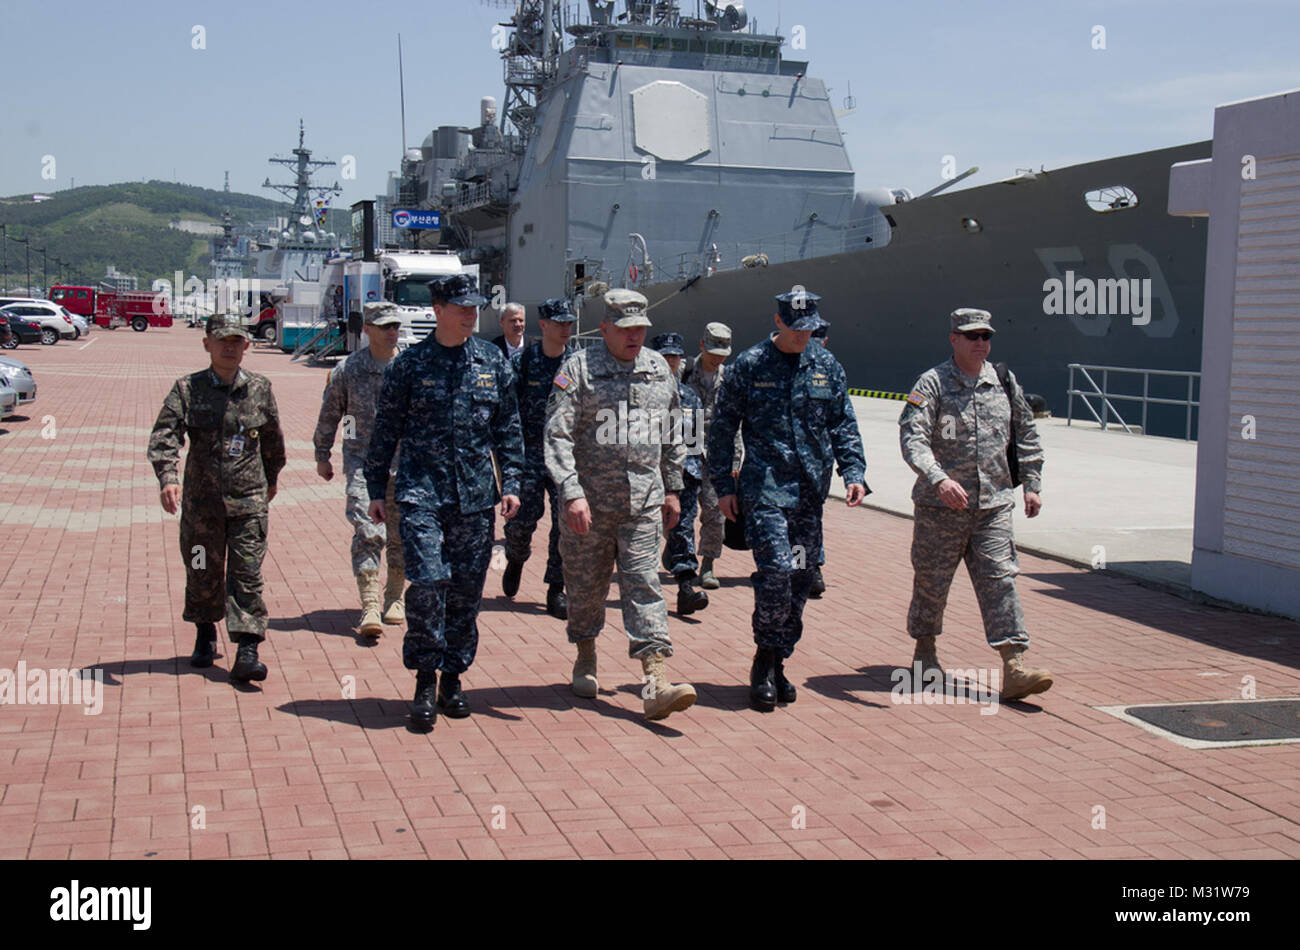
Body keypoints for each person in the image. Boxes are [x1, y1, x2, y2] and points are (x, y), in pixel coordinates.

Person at [364, 274, 524, 730]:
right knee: (429, 582)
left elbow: (509, 429)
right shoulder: (409, 366)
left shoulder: (492, 361)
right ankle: (423, 677)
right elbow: (384, 432)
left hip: (474, 498)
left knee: (467, 592)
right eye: (461, 307)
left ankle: (454, 676)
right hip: (421, 495)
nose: (471, 314)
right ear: (437, 309)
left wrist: (511, 482)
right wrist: (377, 488)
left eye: (475, 307)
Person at [709, 290, 867, 711]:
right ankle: (763, 657)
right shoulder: (749, 364)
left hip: (808, 496)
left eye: (810, 327)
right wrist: (723, 485)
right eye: (796, 328)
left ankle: (780, 659)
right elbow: (723, 428)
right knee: (777, 570)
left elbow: (842, 422)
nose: (803, 335)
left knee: (800, 579)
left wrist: (854, 473)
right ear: (778, 321)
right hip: (764, 492)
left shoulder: (826, 365)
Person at [545, 288, 696, 721]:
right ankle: (586, 654)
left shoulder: (657, 370)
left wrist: (671, 487)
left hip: (643, 505)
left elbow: (673, 432)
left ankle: (655, 682)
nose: (635, 337)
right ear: (606, 328)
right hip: (588, 508)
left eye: (641, 329)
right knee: (586, 589)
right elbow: (556, 435)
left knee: (644, 586)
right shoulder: (580, 369)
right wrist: (570, 492)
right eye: (626, 329)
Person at [898, 308, 1053, 701]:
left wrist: (1032, 484)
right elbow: (912, 438)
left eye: (986, 336)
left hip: (994, 507)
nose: (980, 342)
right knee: (932, 585)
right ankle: (925, 654)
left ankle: (1014, 666)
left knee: (1001, 581)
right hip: (940, 510)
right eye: (972, 336)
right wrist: (940, 479)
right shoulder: (931, 384)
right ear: (954, 339)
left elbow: (1026, 433)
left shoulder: (1002, 381)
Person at [147, 314, 286, 683]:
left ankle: (247, 648)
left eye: (237, 341)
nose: (229, 347)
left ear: (246, 346)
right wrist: (167, 478)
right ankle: (205, 631)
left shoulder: (259, 387)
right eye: (222, 340)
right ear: (207, 343)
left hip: (249, 501)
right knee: (201, 570)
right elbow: (165, 436)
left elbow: (273, 439)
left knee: (247, 574)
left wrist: (271, 479)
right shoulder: (187, 389)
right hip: (201, 505)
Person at [313, 301, 407, 638]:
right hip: (362, 464)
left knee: (400, 534)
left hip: (405, 464)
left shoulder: (409, 366)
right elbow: (331, 412)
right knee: (369, 531)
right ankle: (369, 604)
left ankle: (395, 596)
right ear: (367, 330)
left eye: (395, 325)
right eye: (384, 326)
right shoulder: (348, 370)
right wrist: (322, 453)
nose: (392, 331)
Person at [503, 297, 576, 619]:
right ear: (543, 325)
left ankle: (555, 588)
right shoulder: (523, 361)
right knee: (521, 522)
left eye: (569, 323)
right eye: (559, 323)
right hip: (529, 454)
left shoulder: (576, 364)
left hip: (565, 457)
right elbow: (506, 410)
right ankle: (516, 557)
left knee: (565, 525)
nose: (566, 329)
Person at [649, 331, 710, 615]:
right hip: (649, 475)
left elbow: (695, 440)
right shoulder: (641, 393)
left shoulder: (689, 396)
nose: (670, 361)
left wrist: (699, 471)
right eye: (665, 356)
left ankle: (686, 587)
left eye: (674, 356)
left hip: (685, 473)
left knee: (684, 526)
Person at [680, 322, 739, 591]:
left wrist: (736, 460)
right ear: (702, 345)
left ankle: (707, 565)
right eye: (714, 351)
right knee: (682, 511)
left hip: (716, 455)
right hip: (686, 451)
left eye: (723, 353)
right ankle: (679, 552)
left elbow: (734, 422)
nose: (717, 359)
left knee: (715, 513)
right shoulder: (683, 372)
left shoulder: (729, 379)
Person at [807, 322, 831, 598]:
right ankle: (806, 566)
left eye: (817, 337)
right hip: (786, 462)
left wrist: (853, 469)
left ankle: (811, 565)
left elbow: (841, 421)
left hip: (821, 460)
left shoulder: (830, 370)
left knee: (813, 515)